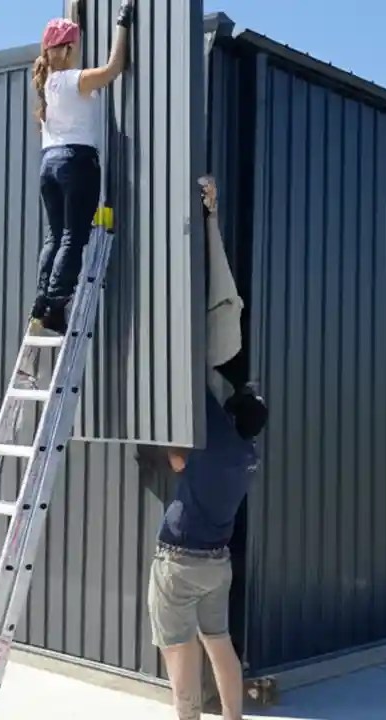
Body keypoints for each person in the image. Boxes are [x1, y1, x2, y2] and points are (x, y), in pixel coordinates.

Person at [146, 176, 268, 720]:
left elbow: (176, 456)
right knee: (217, 640)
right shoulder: (245, 456)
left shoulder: (218, 434)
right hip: (216, 564)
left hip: (180, 563)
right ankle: (233, 716)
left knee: (177, 646)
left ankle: (188, 716)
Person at [30, 2, 135, 335]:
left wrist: (74, 11)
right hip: (77, 163)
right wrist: (123, 23)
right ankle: (57, 305)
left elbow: (66, 34)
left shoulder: (46, 84)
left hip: (49, 164)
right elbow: (114, 67)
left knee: (55, 236)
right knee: (74, 237)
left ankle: (43, 299)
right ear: (71, 48)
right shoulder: (77, 80)